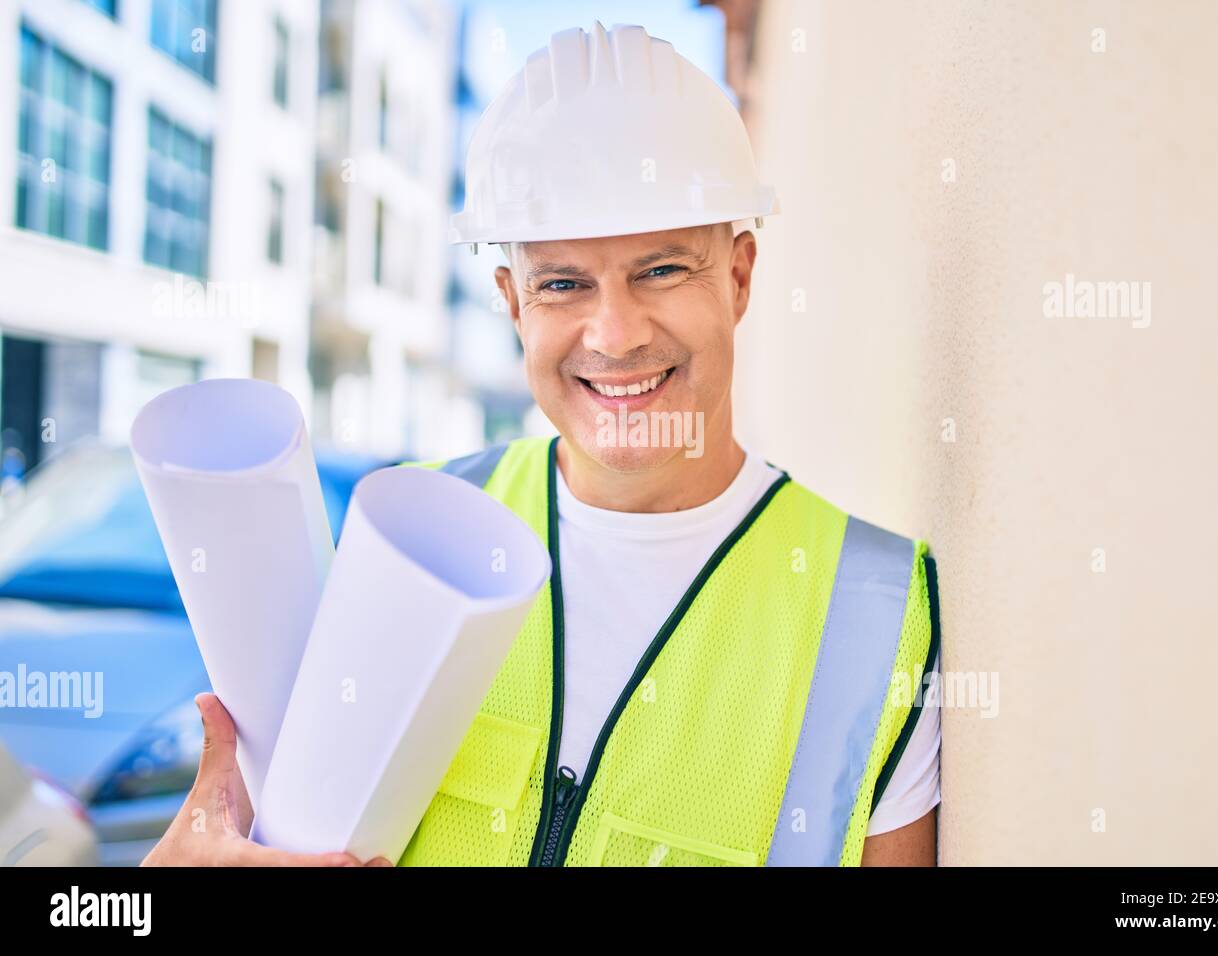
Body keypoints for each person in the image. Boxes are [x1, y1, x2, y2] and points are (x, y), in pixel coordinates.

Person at [145, 21, 940, 868]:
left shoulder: (876, 610)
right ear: (514, 303)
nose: (616, 333)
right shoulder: (412, 540)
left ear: (739, 277)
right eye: (563, 283)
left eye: (662, 270)